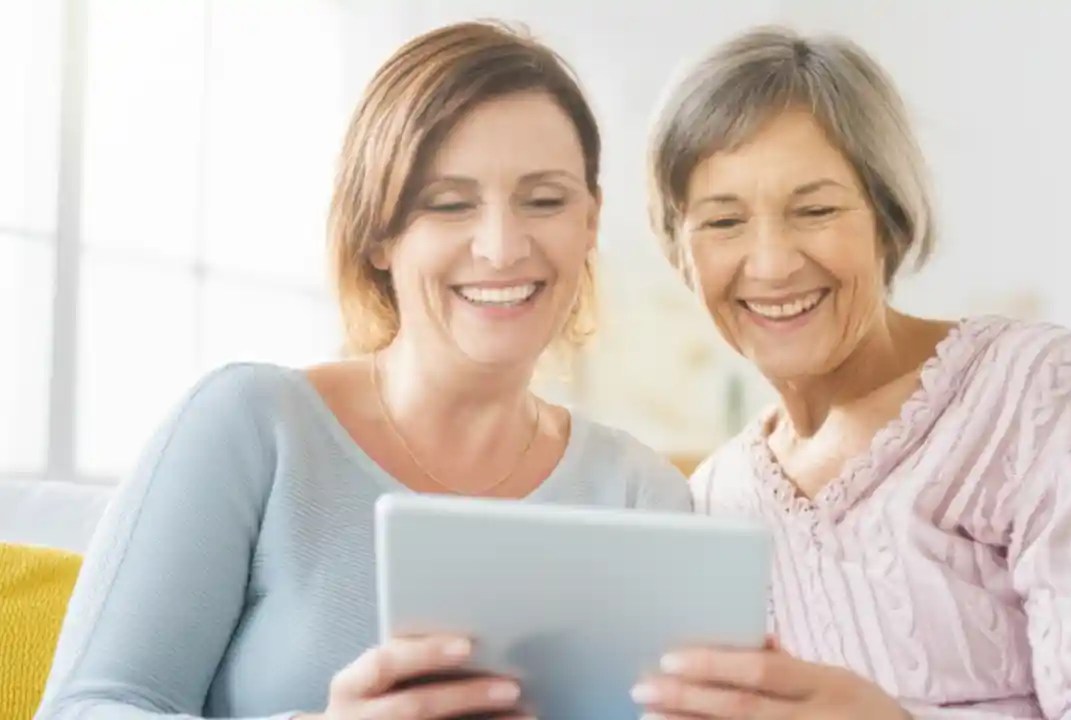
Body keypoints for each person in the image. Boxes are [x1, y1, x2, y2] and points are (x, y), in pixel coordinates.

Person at [37, 21, 691, 720]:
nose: (502, 248)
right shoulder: (253, 428)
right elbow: (90, 705)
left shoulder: (643, 495)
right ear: (378, 232)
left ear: (589, 221)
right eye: (449, 203)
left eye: (545, 200)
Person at [634, 26, 1071, 719]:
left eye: (816, 210)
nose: (770, 263)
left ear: (888, 220)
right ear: (681, 252)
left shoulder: (1043, 400)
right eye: (722, 222)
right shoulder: (714, 500)